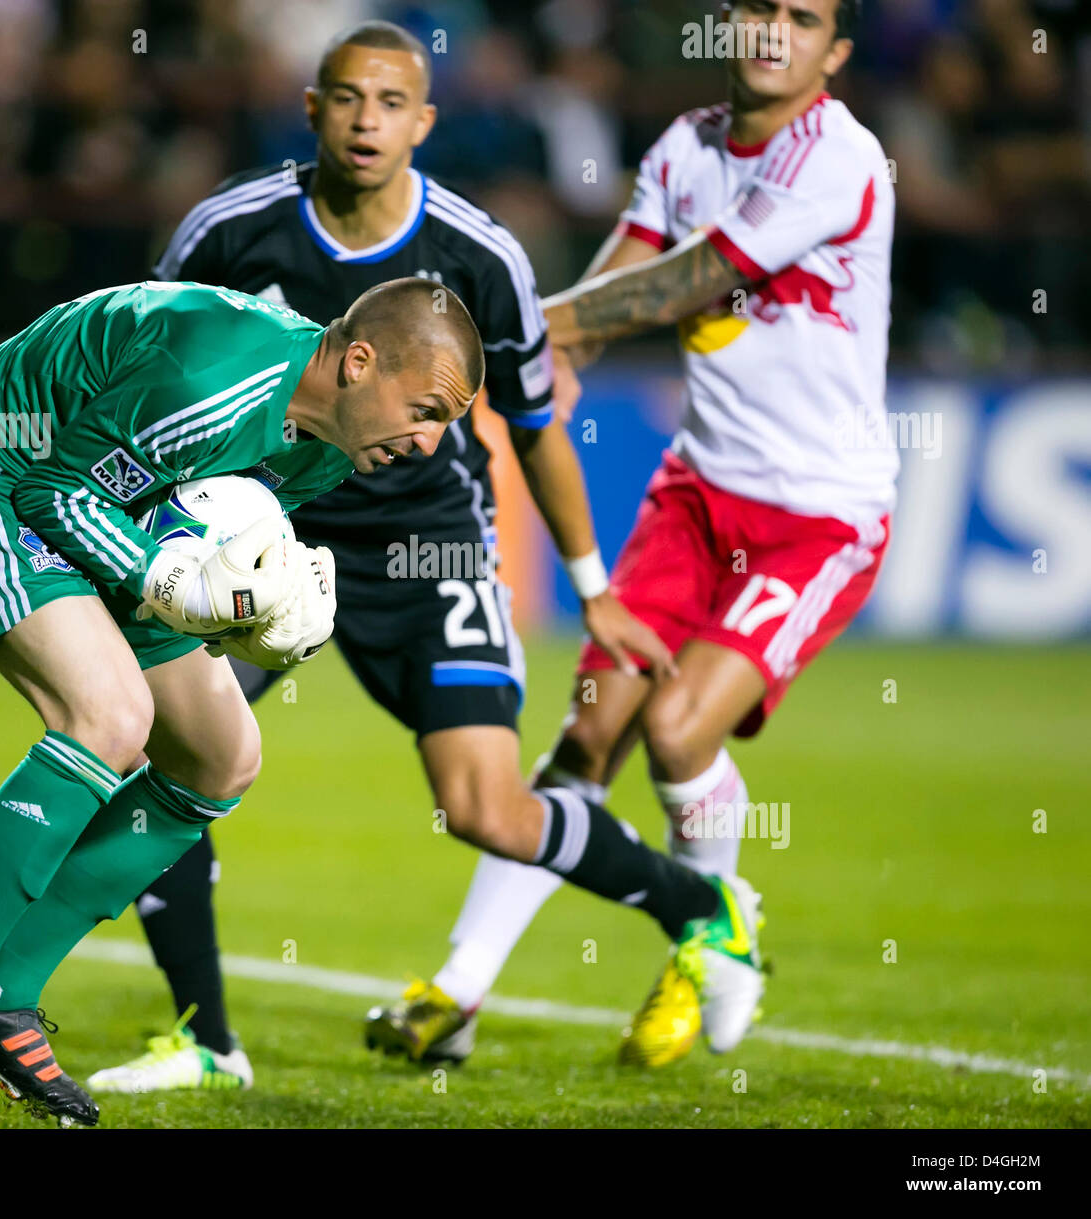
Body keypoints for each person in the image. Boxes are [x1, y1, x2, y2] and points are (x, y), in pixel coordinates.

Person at [86, 19, 761, 1093]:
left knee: (483, 805)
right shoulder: (232, 226)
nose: (366, 121)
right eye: (347, 98)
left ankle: (702, 907)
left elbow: (537, 424)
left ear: (425, 121)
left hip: (423, 544)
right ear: (310, 108)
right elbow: (147, 359)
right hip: (263, 530)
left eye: (391, 103)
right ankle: (205, 1040)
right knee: (170, 751)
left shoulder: (479, 253)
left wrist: (591, 589)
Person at [372, 0, 895, 1068]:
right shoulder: (686, 145)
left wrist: (498, 332)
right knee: (587, 737)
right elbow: (618, 281)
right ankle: (460, 990)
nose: (770, 31)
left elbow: (684, 284)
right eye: (757, 8)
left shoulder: (838, 157)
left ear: (832, 54)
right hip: (695, 497)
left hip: (817, 515)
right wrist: (542, 375)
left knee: (676, 733)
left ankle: (712, 929)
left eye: (800, 19)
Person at [0, 274, 485, 1129]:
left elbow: (183, 513)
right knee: (110, 719)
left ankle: (1, 996)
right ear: (357, 361)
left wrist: (253, 609)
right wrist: (168, 578)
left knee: (222, 755)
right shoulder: (215, 377)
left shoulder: (331, 445)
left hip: (96, 510)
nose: (427, 442)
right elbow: (56, 489)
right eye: (425, 409)